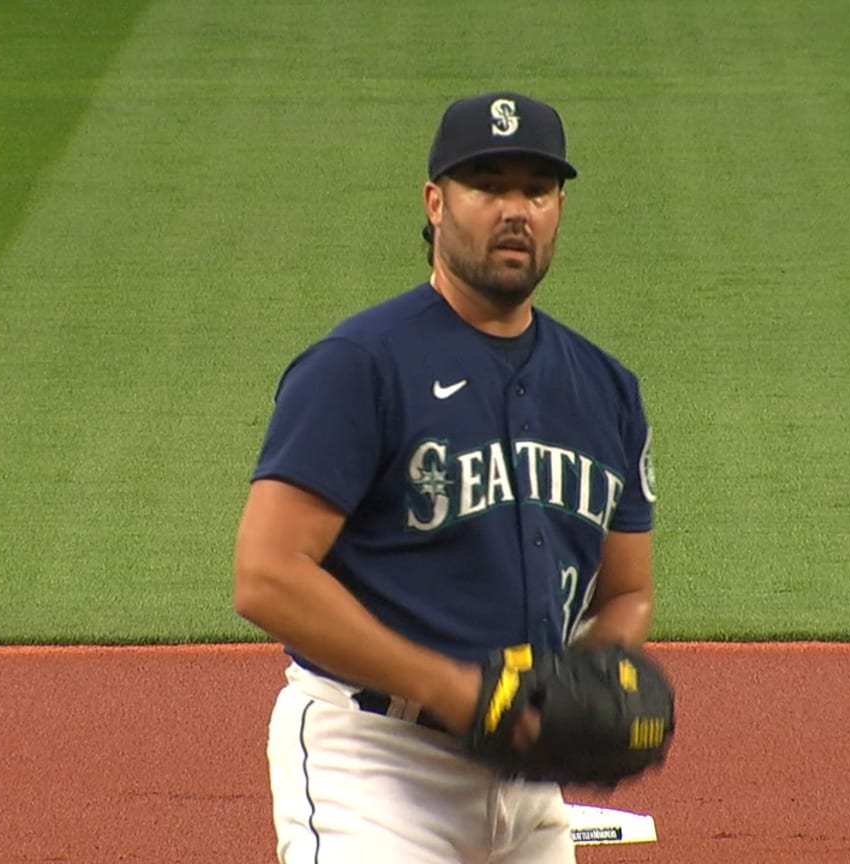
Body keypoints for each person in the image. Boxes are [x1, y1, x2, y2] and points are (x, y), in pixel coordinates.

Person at [233, 91, 658, 864]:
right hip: (374, 764)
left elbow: (625, 591)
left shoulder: (606, 389)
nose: (515, 210)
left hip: (527, 787)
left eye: (536, 189)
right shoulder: (360, 366)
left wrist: (590, 678)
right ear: (435, 203)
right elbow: (265, 575)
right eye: (487, 185)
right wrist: (454, 689)